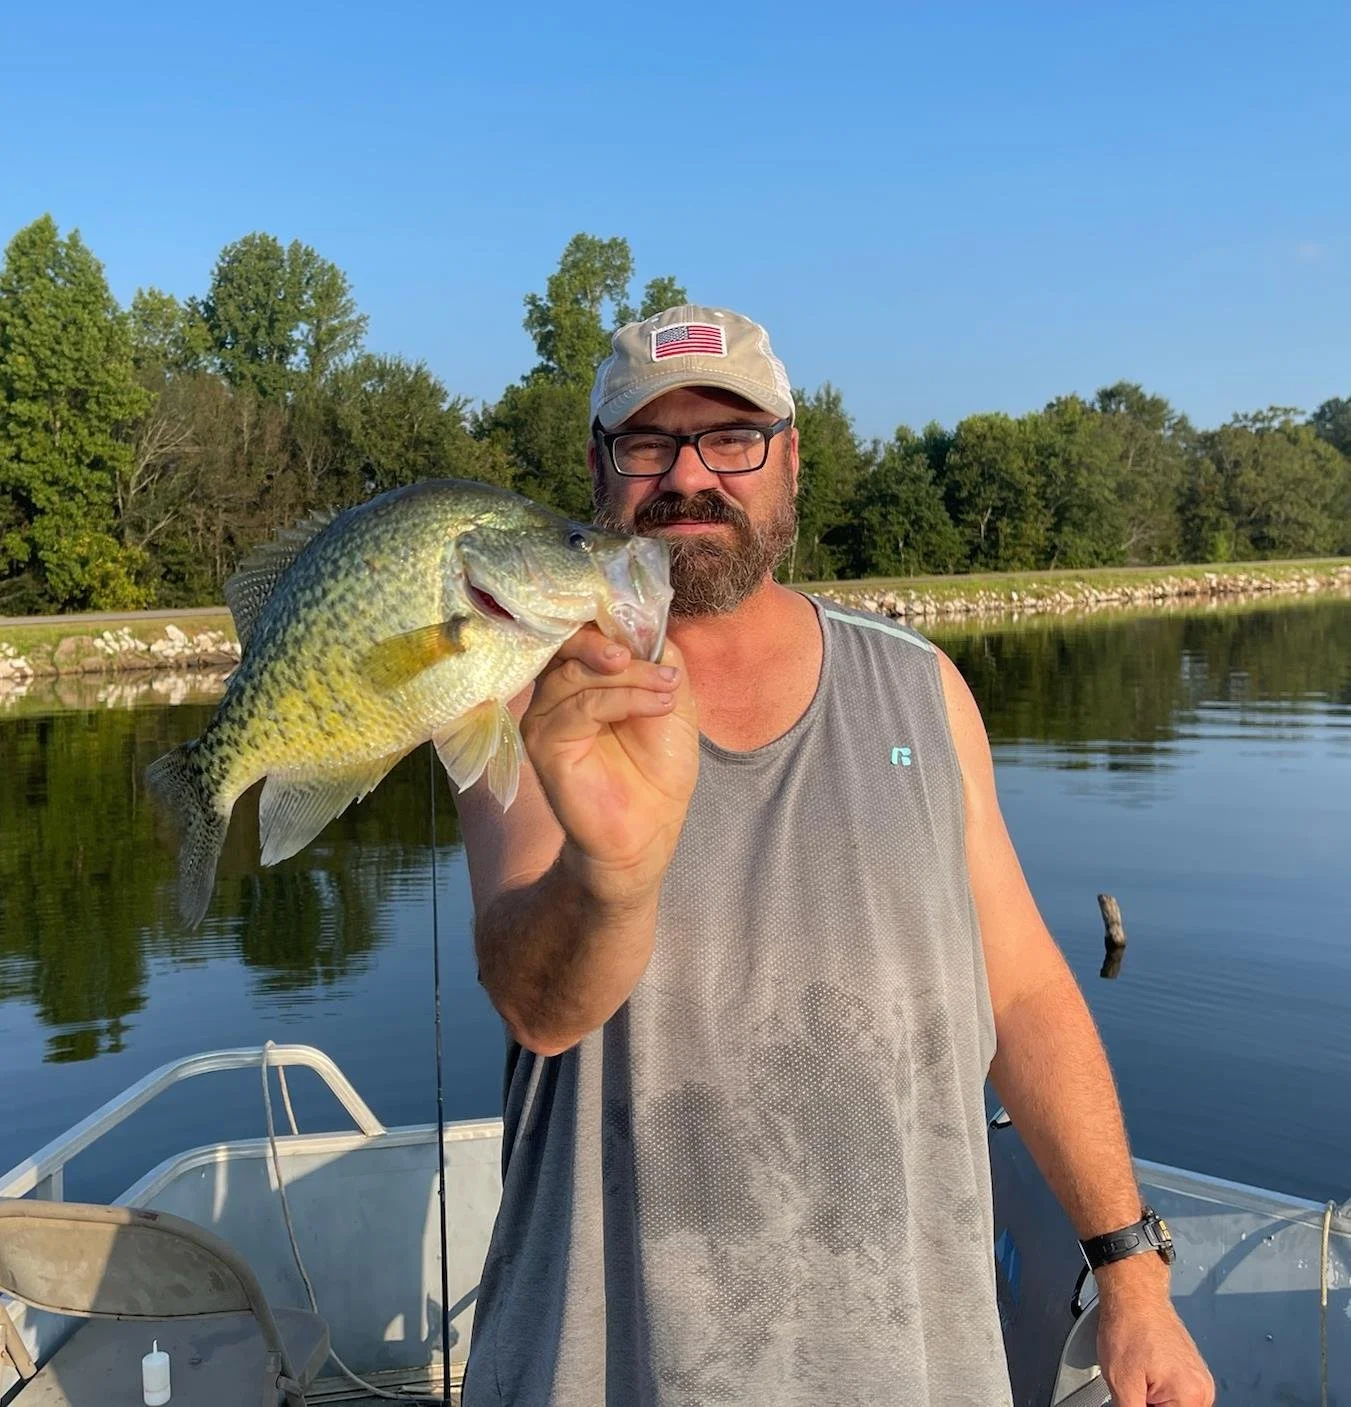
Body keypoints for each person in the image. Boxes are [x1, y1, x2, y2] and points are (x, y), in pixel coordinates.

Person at [455, 305, 1215, 1407]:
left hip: (912, 1371)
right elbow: (538, 1006)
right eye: (648, 442)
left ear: (791, 460)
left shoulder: (921, 689)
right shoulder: (523, 696)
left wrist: (1131, 1275)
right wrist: (608, 877)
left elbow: (1024, 995)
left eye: (731, 438)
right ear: (597, 469)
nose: (688, 476)